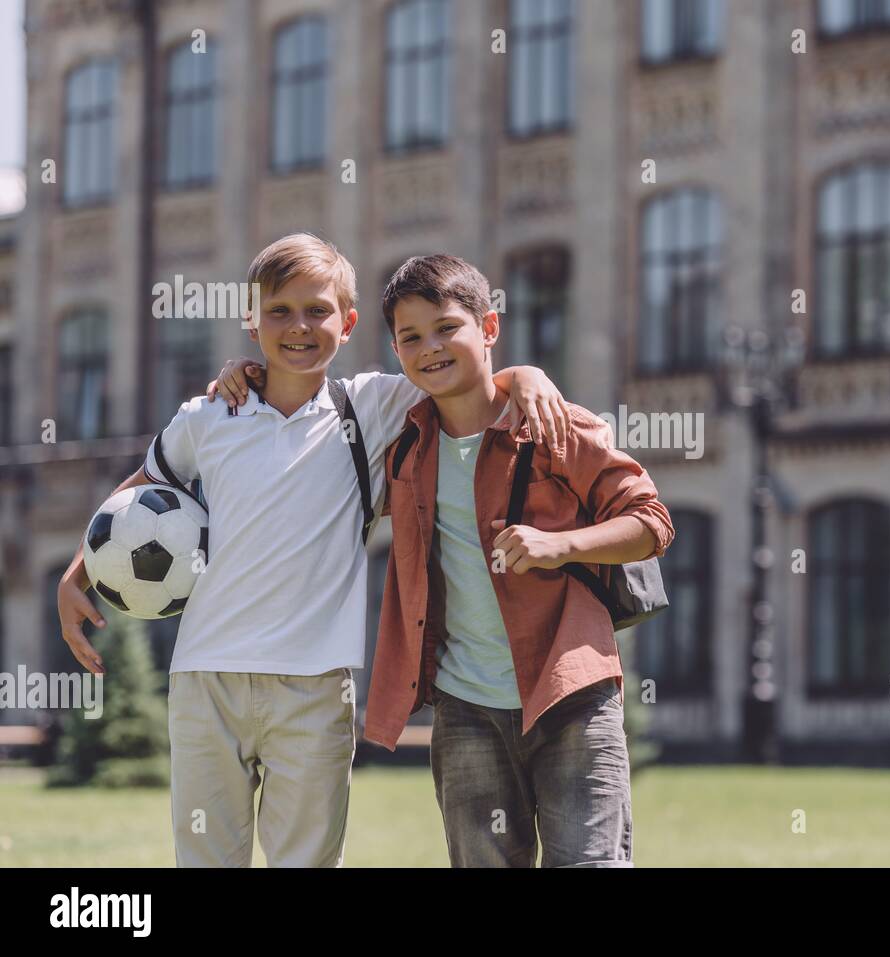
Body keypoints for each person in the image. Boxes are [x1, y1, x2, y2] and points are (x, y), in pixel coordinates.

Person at [56, 233, 567, 867]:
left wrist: (528, 375)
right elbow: (135, 501)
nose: (299, 326)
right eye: (278, 311)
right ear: (251, 319)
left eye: (317, 311)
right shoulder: (208, 417)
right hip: (206, 679)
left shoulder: (376, 404)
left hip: (317, 686)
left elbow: (465, 373)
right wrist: (77, 571)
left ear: (348, 323)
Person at [362, 254, 674, 867]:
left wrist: (560, 545)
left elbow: (652, 523)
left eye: (447, 326)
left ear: (489, 327)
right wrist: (244, 375)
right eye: (410, 337)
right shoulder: (402, 449)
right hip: (466, 711)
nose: (430, 347)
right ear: (396, 351)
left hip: (571, 695)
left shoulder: (555, 425)